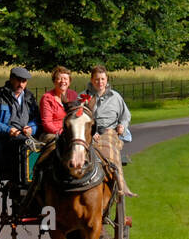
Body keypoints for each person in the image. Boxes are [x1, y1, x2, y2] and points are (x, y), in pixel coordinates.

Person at [0, 66, 40, 186]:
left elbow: (37, 119)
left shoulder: (29, 98)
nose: (21, 84)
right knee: (20, 145)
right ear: (11, 79)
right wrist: (8, 130)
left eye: (24, 81)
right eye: (18, 80)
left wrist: (31, 128)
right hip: (4, 139)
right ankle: (15, 179)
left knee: (40, 147)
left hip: (25, 136)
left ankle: (32, 179)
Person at [85, 65, 132, 196]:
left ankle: (120, 187)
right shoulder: (83, 97)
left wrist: (122, 125)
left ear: (107, 79)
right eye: (97, 79)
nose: (100, 82)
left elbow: (125, 115)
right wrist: (91, 132)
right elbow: (79, 118)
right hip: (90, 133)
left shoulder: (116, 97)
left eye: (102, 79)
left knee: (110, 152)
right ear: (91, 80)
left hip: (110, 132)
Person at [38, 66, 80, 144]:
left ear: (69, 82)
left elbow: (77, 116)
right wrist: (61, 132)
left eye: (65, 79)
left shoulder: (73, 95)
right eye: (59, 78)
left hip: (71, 132)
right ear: (54, 81)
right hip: (52, 133)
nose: (62, 81)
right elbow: (47, 123)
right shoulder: (47, 98)